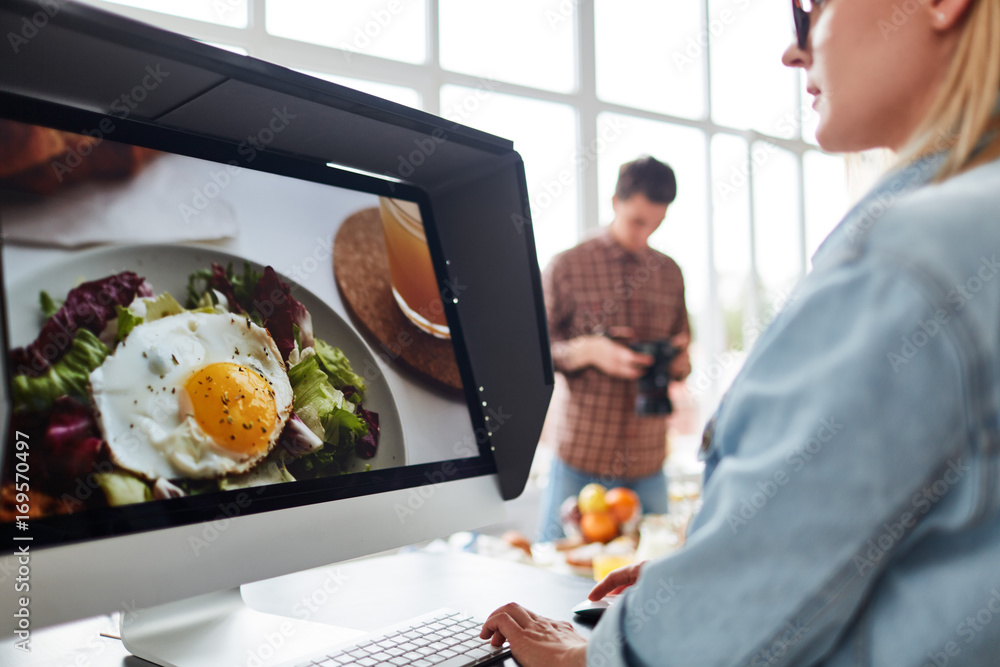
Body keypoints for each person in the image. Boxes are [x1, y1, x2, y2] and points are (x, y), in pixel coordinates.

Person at [483, 0, 1000, 664]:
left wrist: (622, 644)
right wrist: (714, 579)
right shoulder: (566, 265)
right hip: (586, 447)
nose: (795, 49)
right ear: (616, 204)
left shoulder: (903, 261)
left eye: (813, 8)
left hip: (643, 455)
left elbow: (730, 635)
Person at [537, 156, 692, 542]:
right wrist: (587, 351)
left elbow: (684, 351)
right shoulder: (566, 266)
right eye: (638, 222)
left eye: (656, 224)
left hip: (650, 459)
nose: (645, 235)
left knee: (655, 578)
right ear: (615, 203)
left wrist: (677, 361)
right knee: (556, 575)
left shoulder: (670, 272)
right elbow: (535, 352)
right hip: (580, 460)